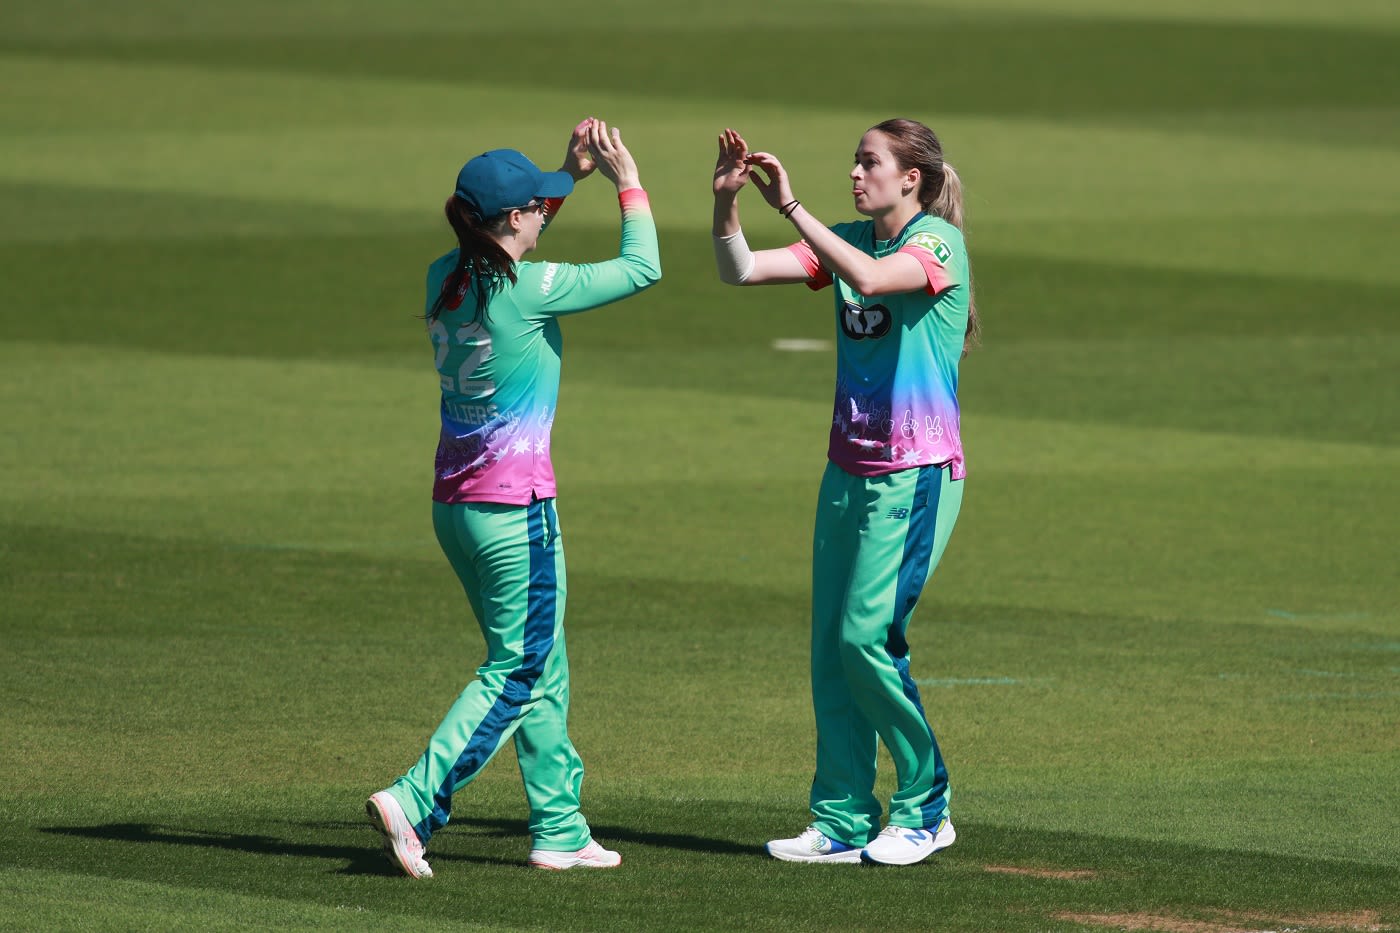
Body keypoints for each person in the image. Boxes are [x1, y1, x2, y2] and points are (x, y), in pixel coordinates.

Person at [367, 118, 661, 878]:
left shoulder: (445, 277)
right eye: (536, 205)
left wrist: (562, 180)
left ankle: (559, 826)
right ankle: (416, 796)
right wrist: (626, 178)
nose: (542, 212)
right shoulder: (533, 290)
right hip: (513, 510)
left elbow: (504, 245)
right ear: (509, 219)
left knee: (543, 659)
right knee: (517, 669)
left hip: (455, 508)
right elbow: (642, 267)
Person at [711, 118, 978, 866]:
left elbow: (869, 279)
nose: (855, 175)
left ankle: (927, 806)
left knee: (869, 640)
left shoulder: (935, 244)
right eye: (855, 162)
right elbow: (740, 271)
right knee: (832, 647)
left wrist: (790, 207)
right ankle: (842, 816)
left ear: (910, 180)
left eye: (870, 163)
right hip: (848, 470)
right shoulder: (845, 235)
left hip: (915, 470)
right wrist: (727, 203)